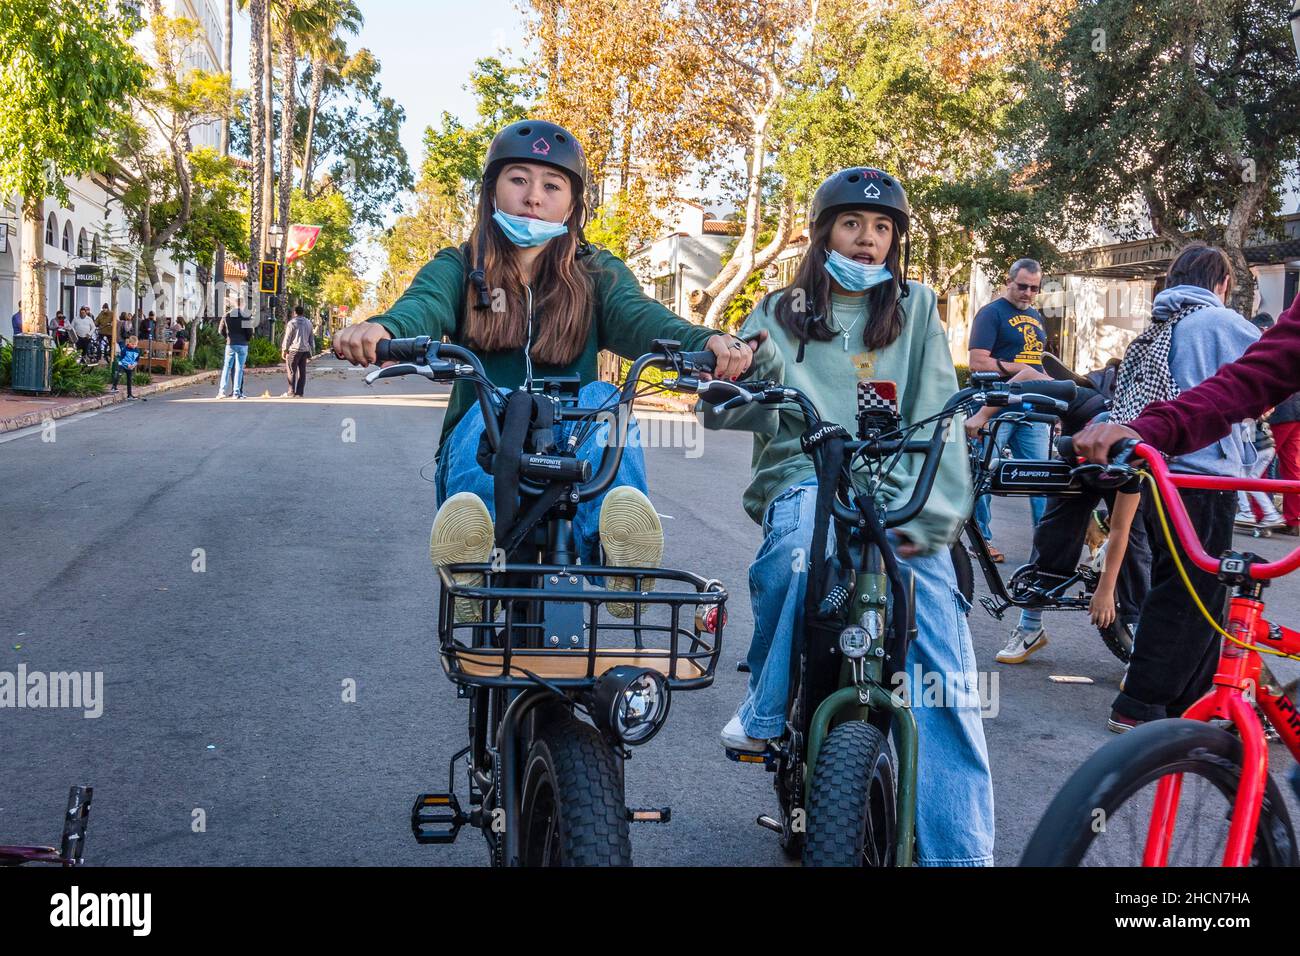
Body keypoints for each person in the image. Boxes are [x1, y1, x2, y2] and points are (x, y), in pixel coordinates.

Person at [332, 118, 757, 620]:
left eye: (551, 186)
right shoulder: (459, 265)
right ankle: (473, 552)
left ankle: (615, 545)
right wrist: (382, 329)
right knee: (489, 402)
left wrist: (703, 341)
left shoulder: (597, 272)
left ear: (573, 205)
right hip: (485, 442)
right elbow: (420, 306)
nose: (533, 197)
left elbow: (643, 315)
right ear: (492, 191)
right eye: (518, 179)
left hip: (574, 451)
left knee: (603, 395)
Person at [702, 166, 994, 866]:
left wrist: (924, 522)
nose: (868, 240)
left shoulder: (919, 308)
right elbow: (730, 404)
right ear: (823, 232)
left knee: (943, 663)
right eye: (853, 224)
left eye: (883, 228)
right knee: (799, 546)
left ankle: (960, 857)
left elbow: (939, 421)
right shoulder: (779, 309)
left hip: (901, 489)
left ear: (896, 243)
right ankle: (771, 708)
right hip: (807, 474)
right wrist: (733, 375)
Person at [1097, 243, 1259, 733]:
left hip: (1157, 474)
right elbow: (1268, 372)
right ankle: (1141, 700)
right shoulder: (1219, 323)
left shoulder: (1158, 327)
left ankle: (1191, 696)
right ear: (1222, 284)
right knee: (1191, 593)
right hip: (1203, 475)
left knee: (1191, 586)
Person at [964, 360, 1151, 664]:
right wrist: (982, 416)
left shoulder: (1129, 460)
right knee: (1052, 536)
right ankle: (1030, 628)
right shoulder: (1080, 400)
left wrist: (1104, 590)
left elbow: (1122, 532)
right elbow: (1025, 376)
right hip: (1077, 468)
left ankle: (1141, 650)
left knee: (1135, 553)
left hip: (1121, 478)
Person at [1072, 293, 1300, 463]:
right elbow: (1253, 378)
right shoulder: (1226, 321)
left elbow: (1248, 380)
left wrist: (1145, 428)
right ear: (1223, 284)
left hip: (1180, 450)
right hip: (1206, 458)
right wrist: (1147, 429)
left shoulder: (1159, 330)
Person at [966, 259, 1051, 562]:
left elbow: (1039, 363)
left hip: (1033, 409)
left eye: (1034, 288)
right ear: (1009, 281)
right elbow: (977, 361)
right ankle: (982, 541)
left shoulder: (1038, 318)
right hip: (995, 405)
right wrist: (1020, 368)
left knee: (1043, 476)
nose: (1028, 293)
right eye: (1022, 286)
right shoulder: (991, 314)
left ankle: (1046, 547)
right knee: (984, 473)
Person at [216, 307, 253, 398]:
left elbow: (220, 331)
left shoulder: (226, 316)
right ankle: (236, 392)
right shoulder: (245, 317)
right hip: (242, 344)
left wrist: (227, 337)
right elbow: (249, 332)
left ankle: (222, 391)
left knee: (226, 367)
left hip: (230, 344)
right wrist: (246, 339)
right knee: (239, 369)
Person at [280, 305, 313, 397]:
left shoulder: (292, 323)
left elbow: (287, 338)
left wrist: (284, 349)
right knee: (302, 372)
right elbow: (311, 339)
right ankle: (300, 392)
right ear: (303, 312)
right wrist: (311, 351)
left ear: (295, 313)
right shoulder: (309, 323)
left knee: (291, 371)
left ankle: (291, 392)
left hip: (293, 350)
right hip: (305, 350)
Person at [112, 335, 141, 400]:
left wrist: (133, 365)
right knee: (119, 374)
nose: (134, 346)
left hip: (130, 367)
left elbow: (136, 360)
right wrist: (127, 364)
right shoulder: (125, 350)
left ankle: (129, 395)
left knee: (129, 380)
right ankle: (114, 387)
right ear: (129, 343)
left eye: (135, 344)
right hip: (122, 365)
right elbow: (121, 359)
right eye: (132, 344)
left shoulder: (137, 351)